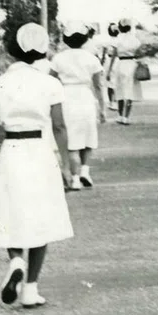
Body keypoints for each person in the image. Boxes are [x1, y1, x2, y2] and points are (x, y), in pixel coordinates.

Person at [0, 21, 73, 308]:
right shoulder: (50, 83)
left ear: (11, 50)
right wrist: (68, 166)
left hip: (11, 149)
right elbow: (59, 126)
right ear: (42, 50)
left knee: (12, 211)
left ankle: (16, 261)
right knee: (40, 217)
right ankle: (31, 288)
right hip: (40, 152)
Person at [50, 18, 108, 189]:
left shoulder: (59, 58)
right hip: (86, 97)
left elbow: (50, 79)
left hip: (66, 97)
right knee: (87, 136)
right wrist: (102, 108)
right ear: (84, 38)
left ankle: (75, 178)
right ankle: (85, 170)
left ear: (66, 39)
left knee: (72, 140)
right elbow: (98, 85)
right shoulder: (92, 58)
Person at [108, 17, 143, 125]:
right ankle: (126, 116)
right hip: (131, 64)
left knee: (119, 89)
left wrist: (109, 70)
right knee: (129, 90)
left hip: (120, 64)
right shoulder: (134, 39)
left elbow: (114, 54)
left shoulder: (117, 39)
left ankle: (119, 115)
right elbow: (139, 53)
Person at [104, 22, 120, 109]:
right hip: (113, 60)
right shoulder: (116, 40)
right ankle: (113, 102)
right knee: (112, 82)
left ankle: (112, 102)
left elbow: (114, 54)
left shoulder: (112, 41)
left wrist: (109, 68)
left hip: (112, 61)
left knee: (111, 82)